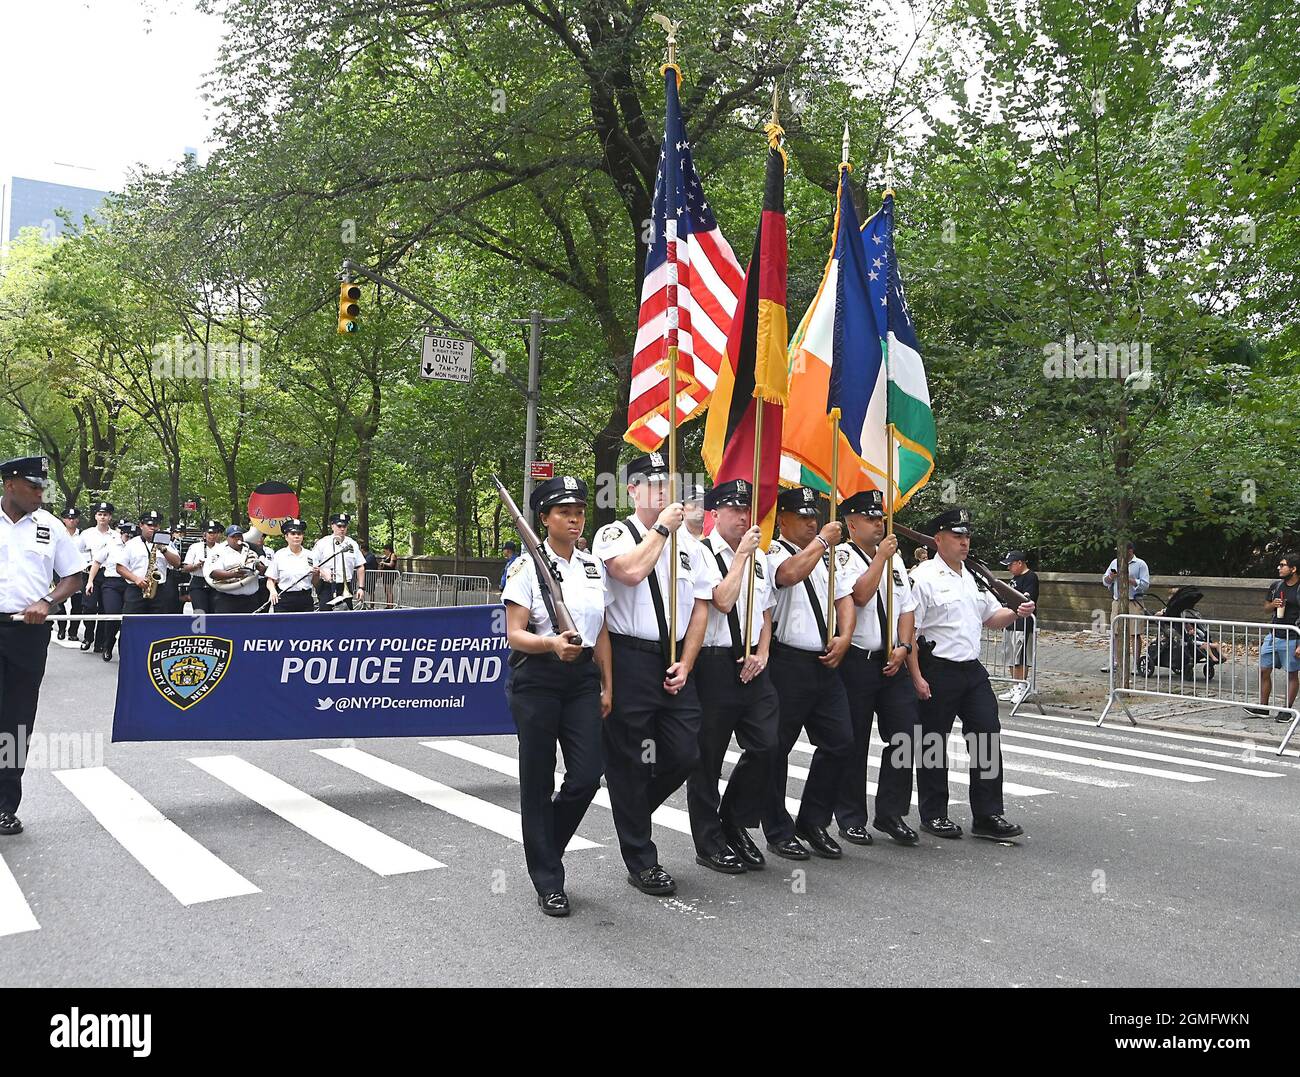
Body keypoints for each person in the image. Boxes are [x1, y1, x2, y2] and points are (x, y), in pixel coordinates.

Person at [592, 452, 711, 897]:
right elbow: (630, 572)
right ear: (632, 490)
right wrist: (662, 528)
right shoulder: (614, 534)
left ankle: (632, 809)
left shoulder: (691, 547)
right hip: (630, 657)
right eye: (651, 484)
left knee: (684, 752)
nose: (663, 491)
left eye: (668, 484)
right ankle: (642, 860)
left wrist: (689, 660)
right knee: (628, 761)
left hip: (675, 658)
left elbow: (702, 606)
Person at [501, 475, 612, 917]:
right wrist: (550, 643)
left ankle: (546, 844)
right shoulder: (527, 567)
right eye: (563, 511)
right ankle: (548, 879)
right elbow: (514, 635)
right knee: (538, 778)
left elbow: (601, 629)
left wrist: (608, 684)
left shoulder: (591, 565)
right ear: (544, 518)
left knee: (587, 775)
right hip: (538, 679)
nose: (573, 518)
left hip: (582, 678)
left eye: (579, 511)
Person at [909, 507, 1036, 841]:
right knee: (933, 742)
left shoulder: (974, 576)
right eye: (957, 536)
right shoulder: (923, 578)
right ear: (938, 540)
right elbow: (909, 630)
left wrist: (1015, 612)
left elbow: (990, 618)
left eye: (967, 536)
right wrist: (916, 676)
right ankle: (934, 814)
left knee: (986, 736)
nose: (964, 542)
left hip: (971, 669)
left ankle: (988, 813)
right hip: (937, 667)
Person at [686, 479, 777, 874]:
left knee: (769, 746)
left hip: (752, 664)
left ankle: (734, 820)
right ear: (715, 513)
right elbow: (722, 601)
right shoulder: (700, 552)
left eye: (748, 510)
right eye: (735, 510)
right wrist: (740, 556)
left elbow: (766, 611)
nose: (744, 517)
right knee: (708, 757)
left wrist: (763, 651)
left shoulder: (761, 557)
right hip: (715, 663)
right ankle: (708, 842)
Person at [762, 486, 856, 861]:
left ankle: (813, 820)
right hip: (788, 662)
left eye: (813, 515)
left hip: (825, 661)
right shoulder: (771, 551)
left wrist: (845, 636)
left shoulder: (827, 556)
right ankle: (777, 829)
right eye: (802, 516)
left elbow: (843, 597)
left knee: (840, 741)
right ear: (782, 519)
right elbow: (787, 575)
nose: (811, 521)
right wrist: (820, 541)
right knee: (776, 749)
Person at [0, 456, 85, 836]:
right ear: (9, 484)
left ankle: (4, 805)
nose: (40, 493)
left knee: (15, 722)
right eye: (33, 486)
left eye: (42, 487)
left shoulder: (49, 526)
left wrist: (47, 602)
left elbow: (75, 576)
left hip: (26, 631)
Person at [833, 489, 921, 847]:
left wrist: (903, 646)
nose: (878, 524)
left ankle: (891, 812)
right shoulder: (842, 555)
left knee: (906, 735)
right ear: (851, 523)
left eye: (880, 518)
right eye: (870, 519)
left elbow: (907, 607)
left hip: (892, 661)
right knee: (854, 741)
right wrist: (880, 559)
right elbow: (860, 595)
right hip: (858, 661)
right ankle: (851, 817)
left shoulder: (895, 559)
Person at [1249, 552, 1300, 719]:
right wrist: (1273, 604)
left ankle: (1287, 710)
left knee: (1292, 674)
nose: (1279, 568)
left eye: (1283, 565)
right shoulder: (1276, 586)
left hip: (1292, 637)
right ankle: (1263, 707)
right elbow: (1265, 608)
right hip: (1273, 634)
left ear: (1294, 569)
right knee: (1264, 670)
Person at [117, 510, 182, 615]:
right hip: (136, 589)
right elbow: (120, 568)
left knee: (158, 625)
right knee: (133, 623)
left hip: (159, 590)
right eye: (149, 525)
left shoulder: (167, 543)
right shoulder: (131, 544)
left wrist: (163, 549)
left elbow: (177, 563)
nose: (153, 528)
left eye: (156, 525)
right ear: (141, 525)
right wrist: (136, 579)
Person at [998, 549, 1039, 704]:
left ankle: (1022, 686)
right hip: (1010, 621)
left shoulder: (1030, 577)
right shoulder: (1015, 578)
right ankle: (1015, 685)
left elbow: (1027, 597)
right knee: (1010, 655)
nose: (1009, 568)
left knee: (1020, 656)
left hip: (1023, 623)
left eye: (1011, 565)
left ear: (1020, 563)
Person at [1103, 541, 1149, 672]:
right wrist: (1111, 577)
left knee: (1135, 633)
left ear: (1130, 551)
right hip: (1117, 602)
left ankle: (1135, 665)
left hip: (1134, 601)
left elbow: (1145, 585)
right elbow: (1105, 581)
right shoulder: (1114, 562)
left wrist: (1129, 579)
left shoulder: (1140, 564)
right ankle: (1116, 662)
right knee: (1116, 633)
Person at [92, 519, 132, 662]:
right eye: (126, 534)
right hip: (112, 583)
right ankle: (107, 645)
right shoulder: (111, 544)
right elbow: (97, 561)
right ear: (120, 532)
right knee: (113, 615)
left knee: (128, 618)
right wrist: (90, 581)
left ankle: (124, 649)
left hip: (130, 583)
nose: (128, 537)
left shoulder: (137, 545)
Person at [80, 501, 116, 652]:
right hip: (90, 573)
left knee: (104, 609)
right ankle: (88, 636)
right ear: (95, 516)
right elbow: (78, 552)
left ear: (110, 517)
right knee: (88, 606)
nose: (102, 517)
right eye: (100, 514)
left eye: (105, 515)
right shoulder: (87, 534)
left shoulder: (116, 535)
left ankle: (100, 641)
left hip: (108, 574)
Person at [312, 513, 364, 610]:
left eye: (344, 526)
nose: (342, 529)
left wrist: (361, 587)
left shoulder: (352, 544)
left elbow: (360, 566)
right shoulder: (323, 543)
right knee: (326, 618)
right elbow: (313, 564)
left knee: (346, 619)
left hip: (345, 586)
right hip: (327, 586)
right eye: (339, 526)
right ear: (332, 526)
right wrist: (323, 574)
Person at [205, 524, 262, 613]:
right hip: (228, 600)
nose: (237, 539)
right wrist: (235, 574)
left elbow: (262, 572)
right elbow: (214, 573)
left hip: (251, 599)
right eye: (233, 537)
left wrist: (260, 567)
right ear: (227, 538)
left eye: (239, 536)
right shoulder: (219, 553)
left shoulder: (251, 552)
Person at [53, 507, 89, 642]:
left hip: (78, 573)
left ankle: (73, 631)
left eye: (74, 518)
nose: (71, 520)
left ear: (78, 520)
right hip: (60, 572)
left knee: (77, 605)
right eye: (68, 518)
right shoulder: (59, 534)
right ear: (64, 519)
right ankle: (61, 628)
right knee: (60, 602)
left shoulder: (83, 536)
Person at [266, 519, 318, 612]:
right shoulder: (279, 555)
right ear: (286, 537)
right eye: (293, 534)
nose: (296, 536)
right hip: (284, 599)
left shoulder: (311, 555)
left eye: (299, 534)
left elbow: (315, 582)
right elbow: (270, 580)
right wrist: (272, 591)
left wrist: (317, 574)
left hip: (305, 599)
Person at [182, 520, 224, 615]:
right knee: (200, 612)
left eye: (215, 533)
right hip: (198, 582)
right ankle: (200, 629)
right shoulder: (195, 547)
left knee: (216, 612)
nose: (212, 535)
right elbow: (185, 567)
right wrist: (196, 566)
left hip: (216, 582)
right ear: (204, 534)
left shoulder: (222, 548)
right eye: (210, 533)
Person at [378, 542, 398, 607]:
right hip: (385, 575)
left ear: (388, 549)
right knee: (386, 590)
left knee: (389, 590)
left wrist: (384, 563)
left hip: (390, 575)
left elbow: (391, 564)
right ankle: (388, 604)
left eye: (384, 550)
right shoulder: (386, 557)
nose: (384, 552)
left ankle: (391, 605)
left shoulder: (393, 555)